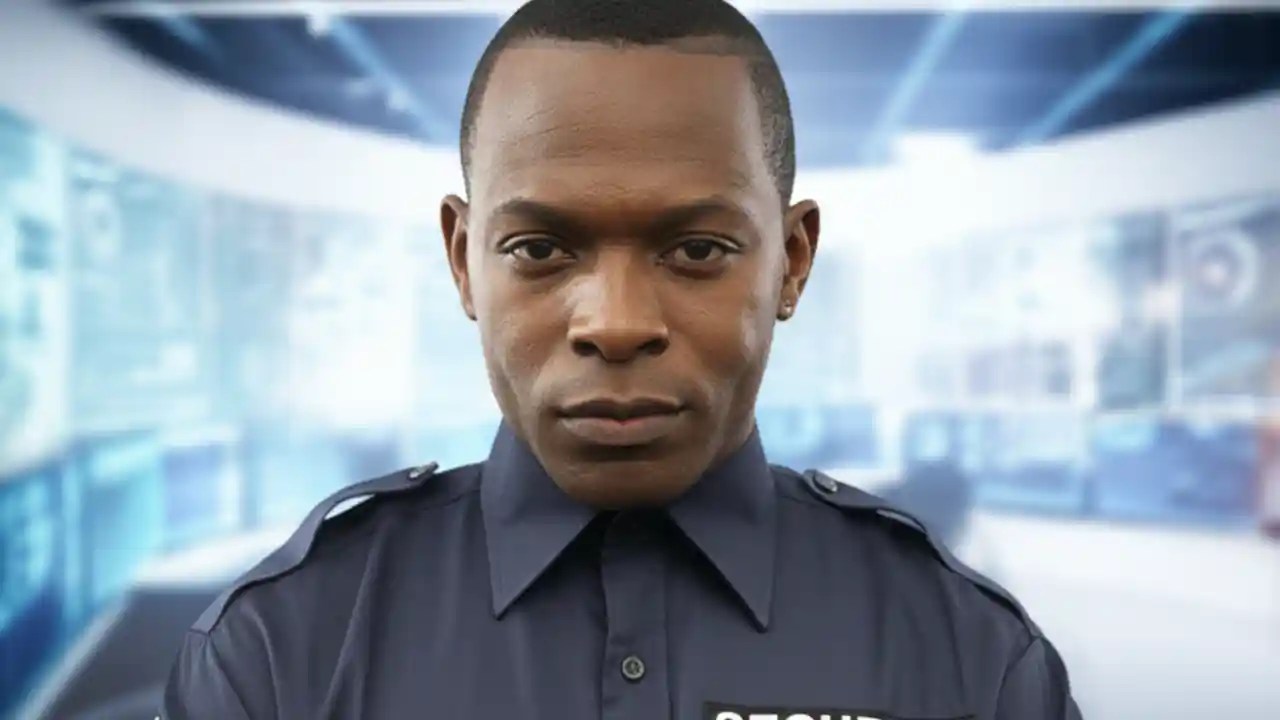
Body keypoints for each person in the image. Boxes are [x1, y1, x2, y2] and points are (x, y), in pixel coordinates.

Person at [162, 1, 1082, 718]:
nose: (615, 323)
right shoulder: (282, 650)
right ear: (462, 258)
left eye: (696, 251)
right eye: (539, 249)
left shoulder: (967, 654)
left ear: (791, 261)